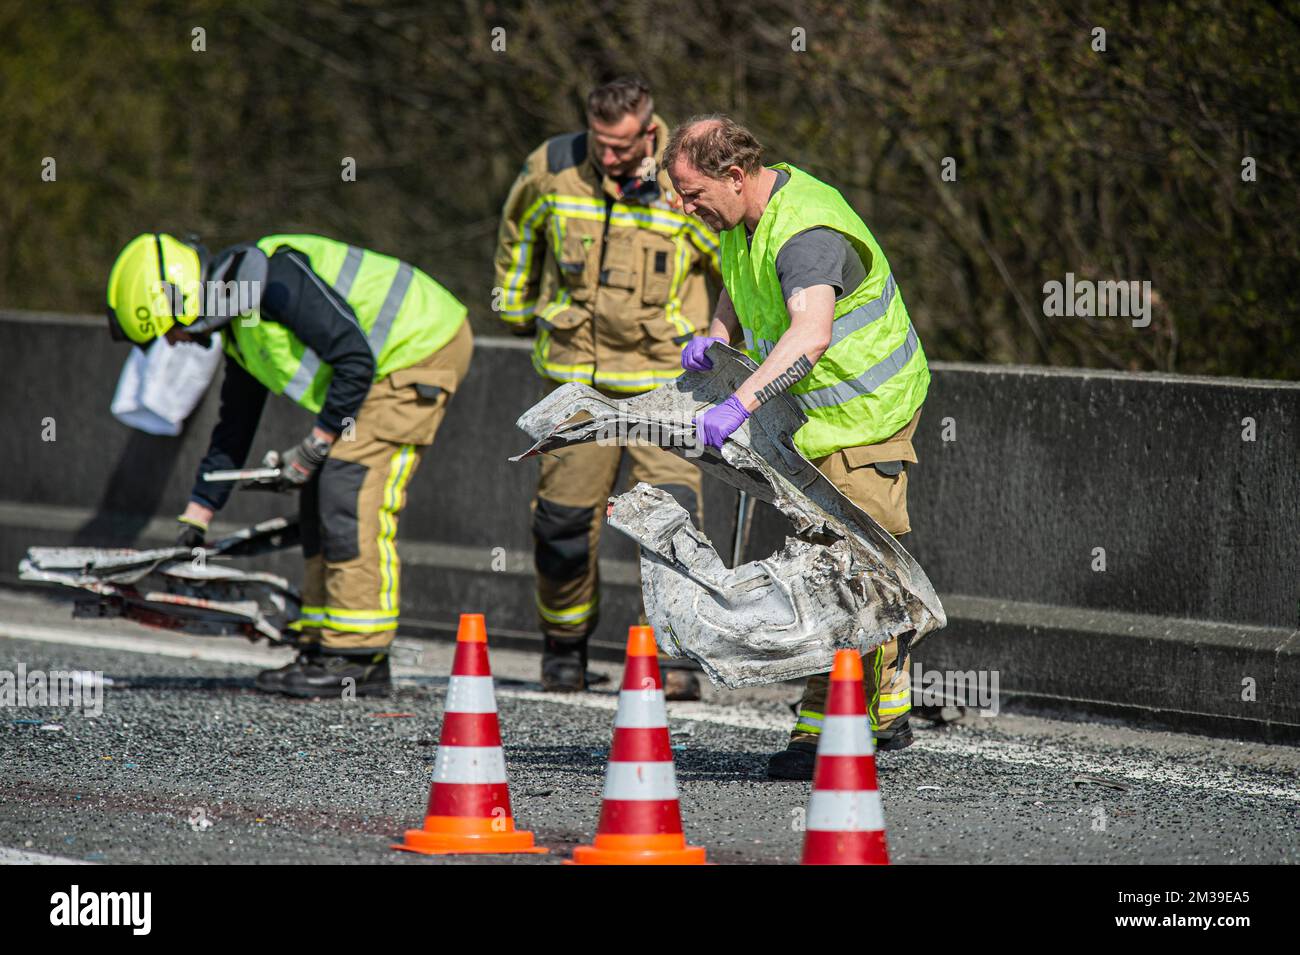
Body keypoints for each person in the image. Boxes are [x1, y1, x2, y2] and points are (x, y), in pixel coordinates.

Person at [663, 116, 931, 778]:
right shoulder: (741, 219)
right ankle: (841, 716)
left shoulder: (807, 233)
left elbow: (809, 334)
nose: (681, 204)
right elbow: (747, 282)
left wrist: (739, 403)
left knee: (858, 566)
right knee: (824, 565)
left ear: (734, 174)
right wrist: (718, 333)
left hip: (866, 414)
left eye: (690, 191)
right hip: (812, 422)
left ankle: (857, 718)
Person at [105, 232, 473, 697]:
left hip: (422, 346)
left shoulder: (275, 283)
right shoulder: (241, 321)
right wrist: (196, 517)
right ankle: (324, 647)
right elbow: (234, 428)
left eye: (166, 331)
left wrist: (316, 445)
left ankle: (358, 656)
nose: (174, 343)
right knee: (321, 494)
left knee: (349, 487)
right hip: (384, 362)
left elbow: (355, 360)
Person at [495, 77, 721, 697]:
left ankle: (674, 659)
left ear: (650, 130)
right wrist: (516, 309)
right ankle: (563, 649)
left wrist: (733, 349)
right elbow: (517, 235)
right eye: (600, 142)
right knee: (562, 525)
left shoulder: (686, 182)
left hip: (663, 387)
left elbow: (733, 257)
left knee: (671, 526)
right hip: (578, 382)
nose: (610, 156)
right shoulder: (552, 167)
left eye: (622, 146)